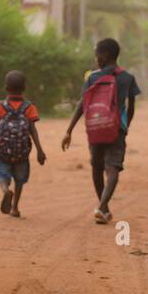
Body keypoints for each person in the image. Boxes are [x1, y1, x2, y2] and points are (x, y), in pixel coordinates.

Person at [62, 38, 140, 224]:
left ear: (104, 56)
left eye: (97, 54)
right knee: (112, 168)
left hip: (95, 126)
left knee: (97, 167)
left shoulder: (93, 77)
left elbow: (83, 104)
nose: (96, 58)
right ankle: (102, 206)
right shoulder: (127, 78)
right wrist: (125, 126)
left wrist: (69, 130)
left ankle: (102, 207)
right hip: (116, 128)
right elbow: (131, 108)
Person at [0, 70, 47, 218]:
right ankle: (14, 207)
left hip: (3, 152)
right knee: (19, 180)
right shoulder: (29, 107)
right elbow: (33, 130)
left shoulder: (1, 106)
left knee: (3, 174)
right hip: (22, 153)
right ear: (24, 88)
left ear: (6, 88)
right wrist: (40, 150)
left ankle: (5, 189)